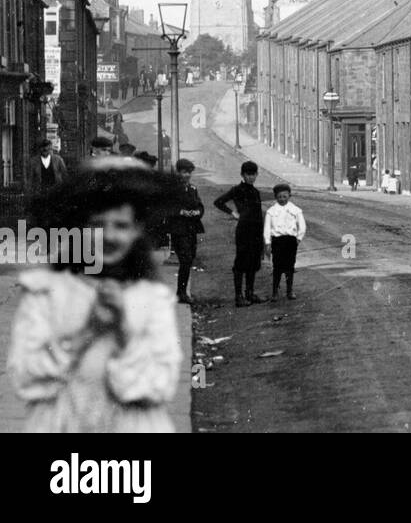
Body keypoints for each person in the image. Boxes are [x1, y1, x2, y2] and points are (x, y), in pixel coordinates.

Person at [5, 159, 184, 431]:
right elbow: (26, 378)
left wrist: (123, 328)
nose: (109, 236)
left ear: (137, 230)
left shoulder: (152, 299)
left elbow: (159, 386)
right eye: (98, 226)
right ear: (80, 228)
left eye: (121, 226)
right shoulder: (47, 293)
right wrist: (88, 331)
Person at [213, 161, 266, 307]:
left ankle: (250, 292)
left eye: (253, 174)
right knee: (241, 262)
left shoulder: (255, 192)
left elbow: (258, 214)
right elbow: (218, 202)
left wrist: (262, 234)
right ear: (242, 175)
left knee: (254, 261)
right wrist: (233, 213)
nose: (251, 177)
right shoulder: (237, 189)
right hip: (244, 230)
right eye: (248, 175)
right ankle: (239, 297)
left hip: (256, 230)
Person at [168, 159, 205, 304]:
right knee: (186, 259)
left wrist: (196, 212)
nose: (187, 175)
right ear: (178, 173)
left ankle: (181, 292)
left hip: (191, 229)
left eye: (189, 172)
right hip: (178, 229)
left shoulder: (192, 189)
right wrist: (181, 212)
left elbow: (200, 206)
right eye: (184, 172)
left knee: (189, 259)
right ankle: (181, 293)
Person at [263, 184, 307, 301]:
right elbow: (267, 228)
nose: (282, 199)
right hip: (277, 241)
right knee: (277, 266)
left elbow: (302, 226)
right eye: (279, 197)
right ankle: (275, 292)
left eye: (284, 196)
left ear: (289, 196)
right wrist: (267, 242)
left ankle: (289, 291)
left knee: (290, 266)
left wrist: (298, 238)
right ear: (275, 197)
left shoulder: (296, 210)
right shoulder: (271, 211)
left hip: (291, 241)